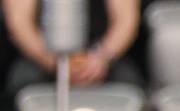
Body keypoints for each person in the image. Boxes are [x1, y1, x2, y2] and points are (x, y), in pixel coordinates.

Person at [2, 0, 143, 100]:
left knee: (128, 83)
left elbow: (126, 20)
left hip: (101, 53)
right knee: (23, 82)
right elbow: (19, 22)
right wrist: (51, 61)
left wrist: (101, 58)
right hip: (42, 55)